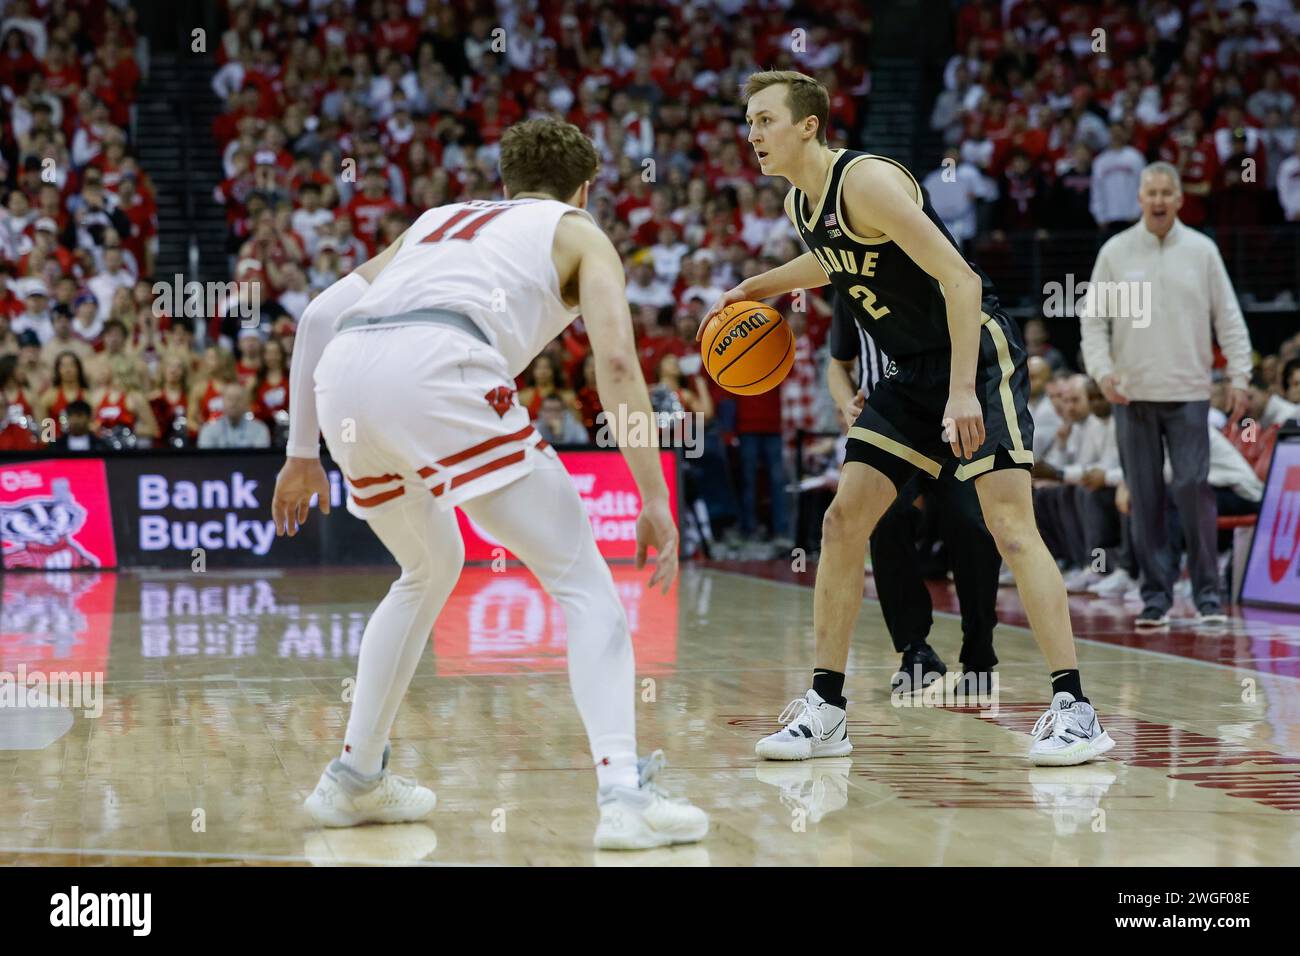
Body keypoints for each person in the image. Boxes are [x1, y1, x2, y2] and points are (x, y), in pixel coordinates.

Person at [272, 117, 706, 849]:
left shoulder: (437, 219)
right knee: (583, 583)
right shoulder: (578, 230)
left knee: (426, 567)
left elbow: (317, 315)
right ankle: (625, 796)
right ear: (585, 188)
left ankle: (354, 780)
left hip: (345, 377)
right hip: (439, 364)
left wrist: (300, 451)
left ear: (504, 184)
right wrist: (654, 496)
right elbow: (621, 367)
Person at [700, 69, 1111, 766]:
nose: (752, 134)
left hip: (974, 357)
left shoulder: (866, 182)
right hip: (908, 374)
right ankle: (826, 708)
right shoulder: (805, 203)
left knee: (1009, 525)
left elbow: (962, 279)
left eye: (764, 120)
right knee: (842, 520)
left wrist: (961, 392)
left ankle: (1076, 708)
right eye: (747, 121)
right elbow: (831, 261)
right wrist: (756, 287)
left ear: (807, 126)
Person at [1081, 161, 1253, 627]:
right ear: (1139, 199)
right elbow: (1093, 322)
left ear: (1180, 199)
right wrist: (1102, 372)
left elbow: (1230, 319)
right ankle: (1155, 595)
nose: (1157, 200)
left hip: (1190, 391)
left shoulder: (1203, 251)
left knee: (1193, 488)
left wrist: (1239, 376)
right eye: (1150, 192)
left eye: (1166, 192)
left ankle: (1207, 596)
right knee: (1145, 494)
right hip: (1131, 395)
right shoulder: (1115, 252)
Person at [827, 292, 1001, 694]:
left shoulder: (929, 261)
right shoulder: (847, 277)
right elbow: (838, 364)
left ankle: (979, 649)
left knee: (972, 524)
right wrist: (844, 403)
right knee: (886, 521)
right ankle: (915, 649)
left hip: (949, 417)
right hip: (888, 422)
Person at [196, 382, 270, 448]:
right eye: (230, 398)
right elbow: (206, 461)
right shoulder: (208, 430)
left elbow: (260, 461)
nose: (234, 403)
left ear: (246, 403)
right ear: (222, 401)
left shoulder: (259, 429)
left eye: (238, 399)